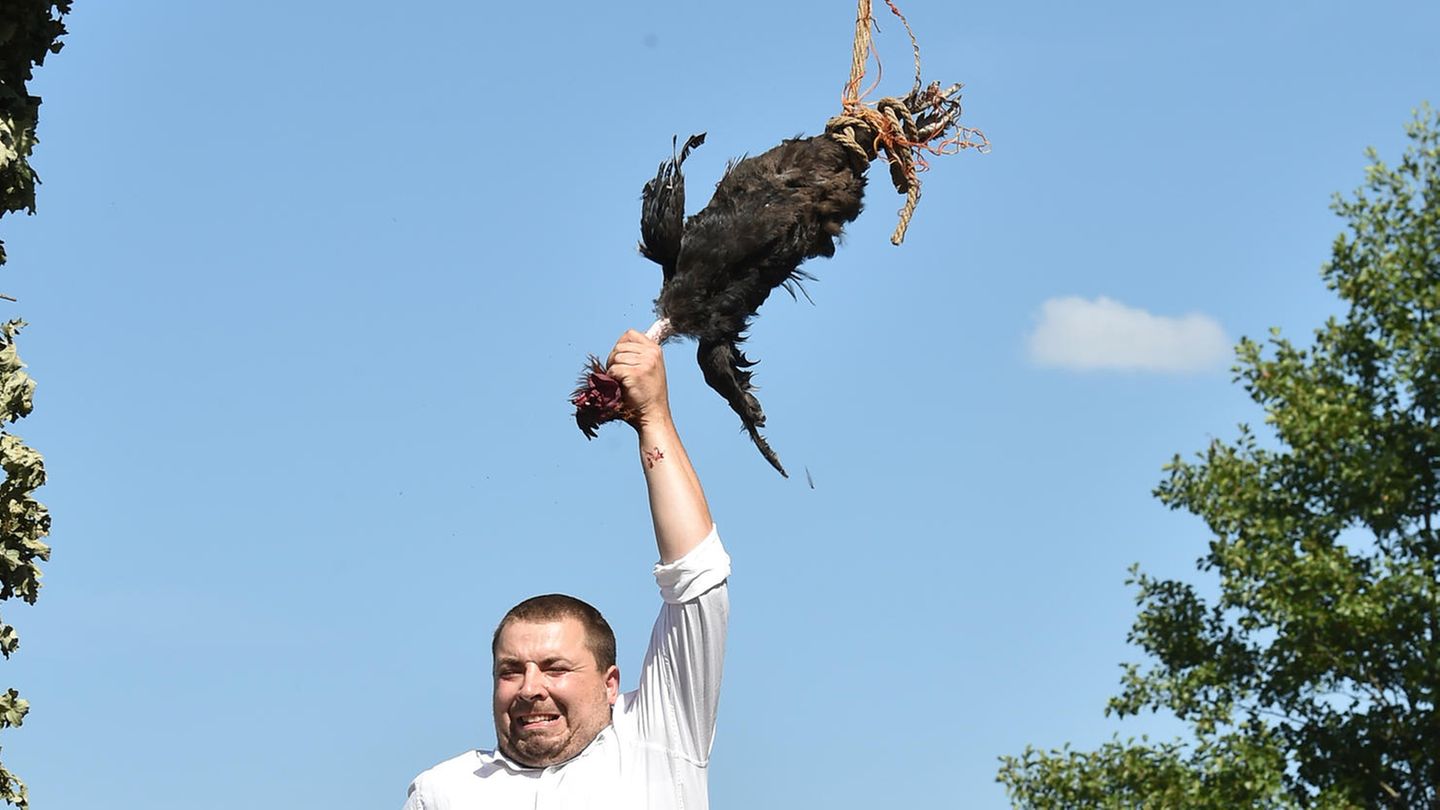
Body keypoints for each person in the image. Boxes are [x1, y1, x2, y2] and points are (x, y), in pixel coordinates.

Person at [403, 329, 730, 810]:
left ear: (610, 683)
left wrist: (653, 419)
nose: (530, 688)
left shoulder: (658, 736)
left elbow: (697, 577)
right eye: (510, 671)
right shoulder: (443, 790)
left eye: (555, 668)